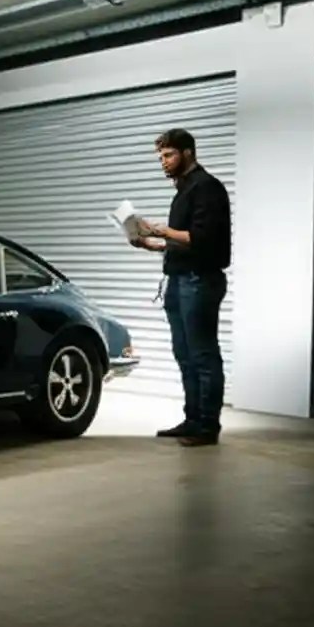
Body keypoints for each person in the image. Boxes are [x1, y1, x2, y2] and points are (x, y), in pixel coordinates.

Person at [130, 128, 231, 446]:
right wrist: (150, 244)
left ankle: (207, 425)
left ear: (188, 153)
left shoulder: (207, 188)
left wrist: (162, 230)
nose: (163, 161)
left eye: (169, 155)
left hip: (200, 281)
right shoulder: (184, 191)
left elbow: (202, 239)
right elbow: (183, 243)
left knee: (203, 353)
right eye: (160, 156)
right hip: (179, 280)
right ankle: (192, 419)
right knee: (184, 354)